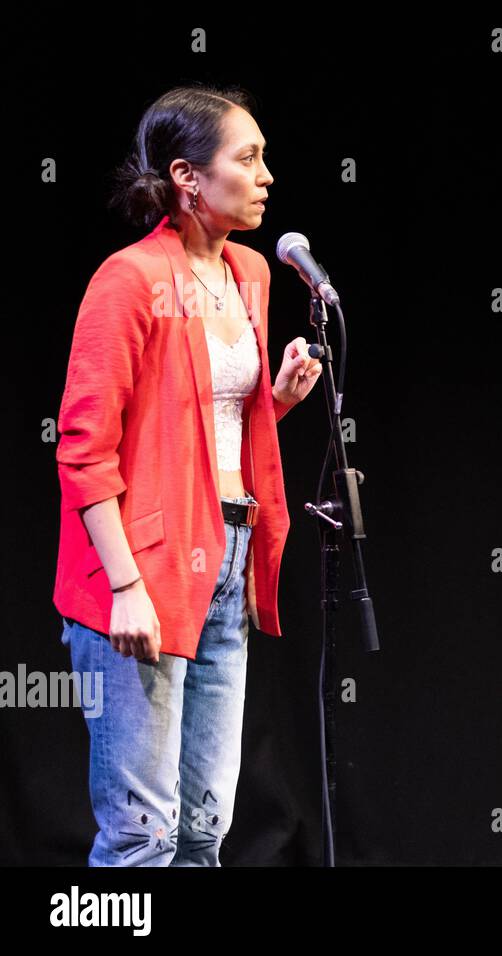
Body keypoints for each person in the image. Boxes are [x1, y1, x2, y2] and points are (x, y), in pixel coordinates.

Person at [52, 85, 323, 865]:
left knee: (206, 829)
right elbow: (81, 447)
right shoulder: (129, 281)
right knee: (144, 835)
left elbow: (196, 424)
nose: (267, 174)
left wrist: (271, 400)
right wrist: (126, 585)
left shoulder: (249, 275)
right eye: (249, 158)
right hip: (143, 568)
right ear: (188, 177)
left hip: (226, 563)